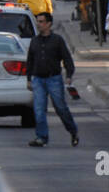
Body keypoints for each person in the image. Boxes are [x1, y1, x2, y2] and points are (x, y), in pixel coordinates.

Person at [25, 12, 79, 147]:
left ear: (49, 24)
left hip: (53, 78)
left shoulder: (57, 40)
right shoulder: (35, 41)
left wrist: (68, 75)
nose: (39, 24)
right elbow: (30, 60)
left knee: (60, 108)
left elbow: (67, 58)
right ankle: (41, 137)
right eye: (38, 21)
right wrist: (29, 79)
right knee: (39, 109)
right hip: (38, 79)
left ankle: (73, 131)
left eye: (42, 21)